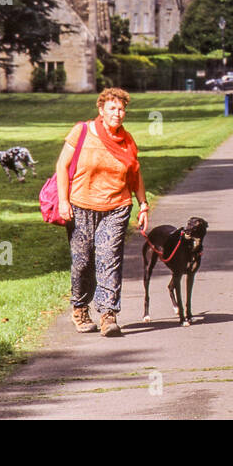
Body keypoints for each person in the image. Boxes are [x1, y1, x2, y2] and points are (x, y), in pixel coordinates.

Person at [56, 87, 149, 337]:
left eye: (121, 109)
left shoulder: (127, 140)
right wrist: (63, 202)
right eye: (112, 108)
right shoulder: (83, 131)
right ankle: (80, 308)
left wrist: (143, 204)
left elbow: (135, 174)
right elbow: (62, 166)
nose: (117, 113)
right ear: (101, 110)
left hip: (116, 207)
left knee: (109, 259)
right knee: (83, 261)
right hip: (80, 206)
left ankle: (109, 314)